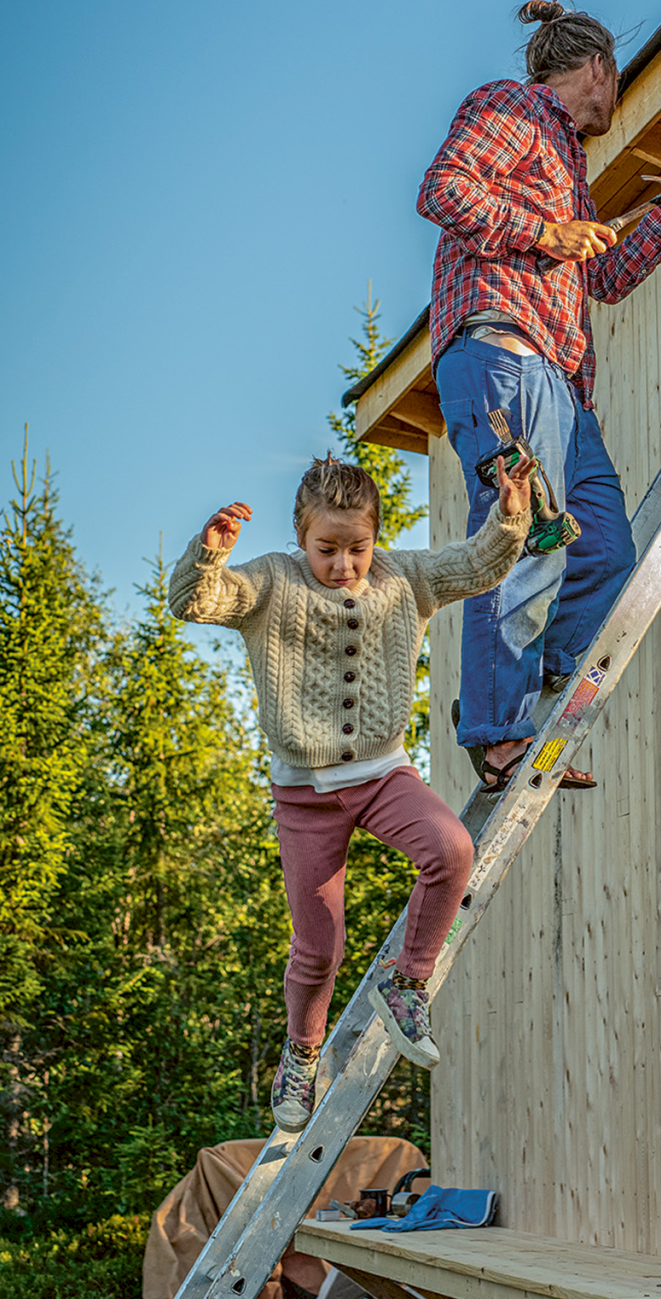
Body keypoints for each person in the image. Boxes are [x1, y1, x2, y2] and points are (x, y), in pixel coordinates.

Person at [167, 451, 531, 1130]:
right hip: (303, 797)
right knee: (318, 949)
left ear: (374, 538)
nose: (342, 565)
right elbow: (195, 601)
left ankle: (407, 979)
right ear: (300, 536)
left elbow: (477, 564)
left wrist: (511, 516)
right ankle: (301, 1057)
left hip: (382, 775)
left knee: (451, 849)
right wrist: (208, 554)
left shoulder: (403, 577)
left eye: (356, 548)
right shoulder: (272, 582)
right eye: (325, 549)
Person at [417, 0, 661, 793]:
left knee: (607, 553)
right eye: (617, 84)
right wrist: (547, 233)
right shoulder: (510, 105)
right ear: (599, 70)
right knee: (526, 542)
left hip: (562, 387)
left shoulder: (568, 166)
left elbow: (606, 277)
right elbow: (443, 190)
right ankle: (496, 731)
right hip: (504, 355)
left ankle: (524, 692)